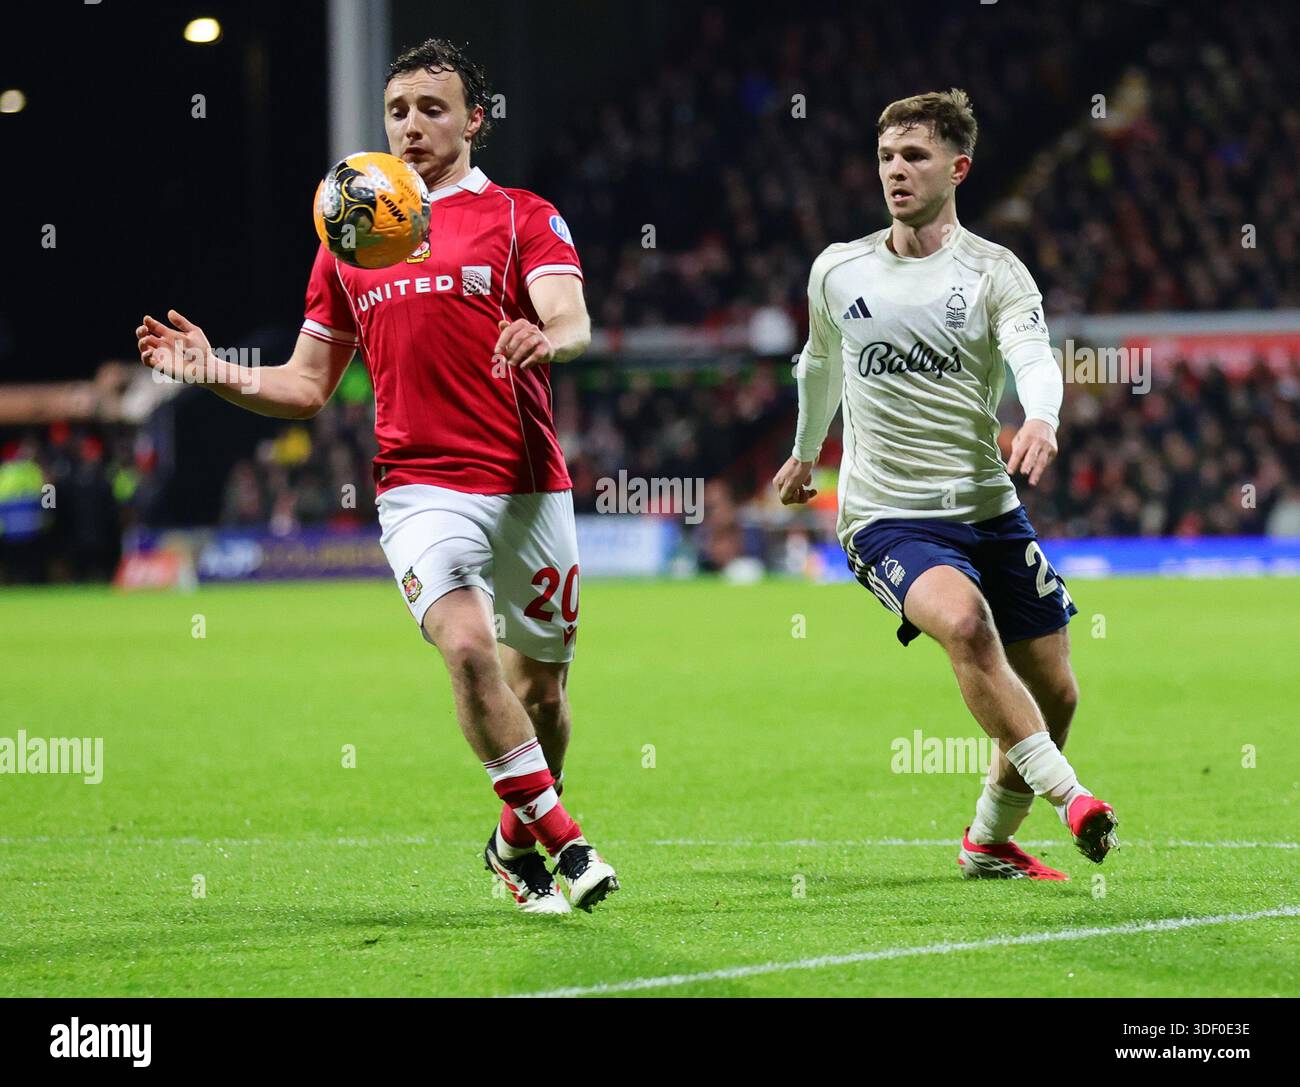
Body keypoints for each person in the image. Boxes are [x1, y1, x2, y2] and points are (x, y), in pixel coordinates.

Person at [136, 38, 617, 913]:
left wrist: (548, 338)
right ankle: (564, 840)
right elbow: (306, 385)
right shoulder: (348, 235)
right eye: (398, 110)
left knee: (542, 689)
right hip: (419, 487)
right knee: (468, 648)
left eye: (433, 109)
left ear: (475, 119)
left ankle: (512, 840)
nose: (412, 125)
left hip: (529, 485)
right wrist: (216, 372)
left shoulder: (520, 215)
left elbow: (572, 316)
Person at [774, 89, 1118, 880]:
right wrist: (804, 450)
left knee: (1056, 694)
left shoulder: (995, 272)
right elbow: (820, 363)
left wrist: (1041, 418)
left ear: (957, 168)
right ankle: (1072, 800)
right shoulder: (839, 268)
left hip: (988, 508)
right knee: (964, 625)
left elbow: (1034, 354)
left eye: (915, 156)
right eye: (888, 156)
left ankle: (989, 840)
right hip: (887, 518)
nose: (896, 170)